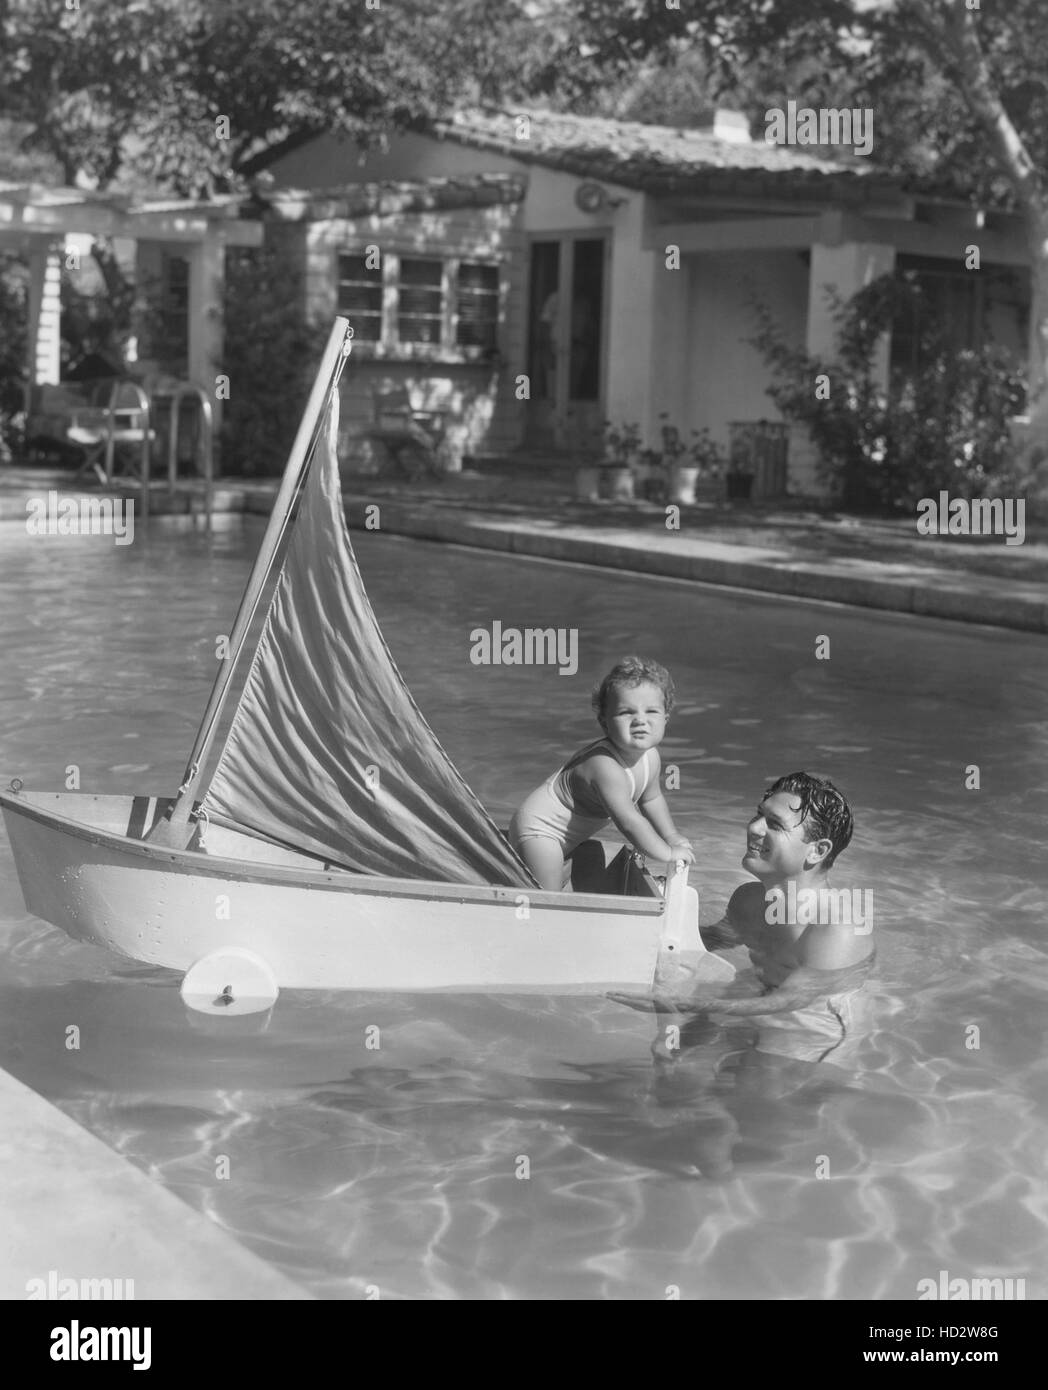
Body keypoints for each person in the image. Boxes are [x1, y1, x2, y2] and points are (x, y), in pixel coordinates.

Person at [610, 771, 875, 1067]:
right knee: (673, 1061)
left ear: (818, 850)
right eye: (758, 815)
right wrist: (635, 937)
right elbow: (713, 939)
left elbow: (793, 1000)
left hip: (813, 1018)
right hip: (758, 990)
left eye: (774, 824)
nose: (754, 828)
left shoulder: (838, 926)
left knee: (751, 1100)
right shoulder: (748, 900)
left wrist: (685, 1002)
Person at [508, 657, 695, 891]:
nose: (640, 720)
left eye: (651, 711)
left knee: (567, 875)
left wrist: (671, 836)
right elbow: (630, 823)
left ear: (665, 719)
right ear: (604, 722)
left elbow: (651, 799)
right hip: (539, 832)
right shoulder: (604, 765)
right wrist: (666, 853)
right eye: (626, 712)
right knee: (547, 897)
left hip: (565, 837)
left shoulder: (651, 757)